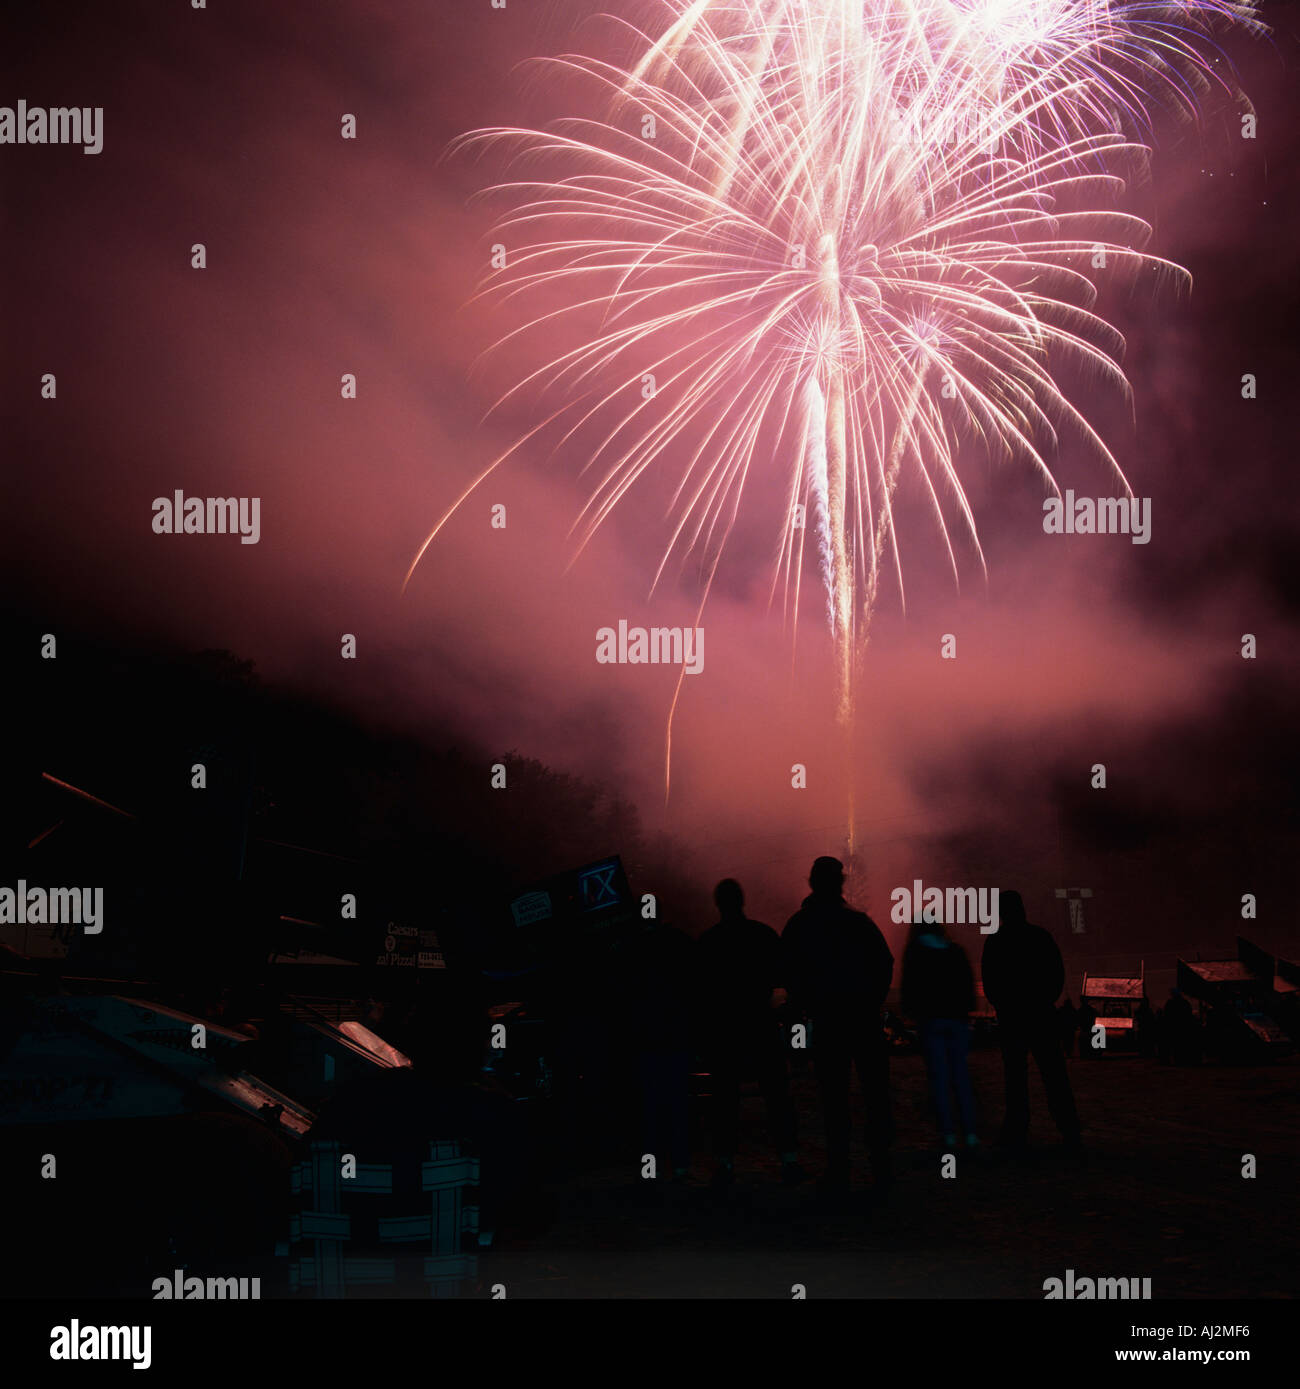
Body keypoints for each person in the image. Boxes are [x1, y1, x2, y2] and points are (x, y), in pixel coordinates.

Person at [782, 856, 894, 1196]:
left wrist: (801, 1025)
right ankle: (881, 1169)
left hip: (829, 1022)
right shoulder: (859, 922)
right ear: (841, 883)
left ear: (812, 882)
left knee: (834, 1101)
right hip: (863, 1020)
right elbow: (884, 964)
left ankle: (839, 1169)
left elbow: (789, 977)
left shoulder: (800, 925)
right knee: (876, 1098)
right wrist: (870, 1002)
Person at [696, 880, 804, 1187]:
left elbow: (699, 994)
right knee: (777, 1095)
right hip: (759, 1022)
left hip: (725, 1028)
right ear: (742, 900)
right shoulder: (763, 934)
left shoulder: (709, 941)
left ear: (718, 903)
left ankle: (725, 1164)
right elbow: (786, 978)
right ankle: (789, 1159)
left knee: (725, 1099)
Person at [980, 891, 1081, 1153]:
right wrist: (1044, 1000)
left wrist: (1004, 1005)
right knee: (1054, 1074)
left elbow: (991, 982)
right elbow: (1056, 973)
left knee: (1015, 1078)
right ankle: (1069, 1129)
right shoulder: (1040, 937)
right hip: (1040, 1014)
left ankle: (1016, 1131)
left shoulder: (996, 942)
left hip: (1013, 1017)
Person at [900, 915, 978, 1150]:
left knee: (939, 1077)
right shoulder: (955, 950)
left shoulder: (915, 952)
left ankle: (948, 1133)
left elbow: (910, 986)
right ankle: (971, 1132)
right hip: (957, 1020)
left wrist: (911, 1014)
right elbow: (966, 985)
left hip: (931, 1020)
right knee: (961, 1076)